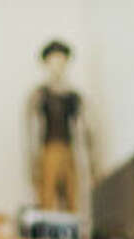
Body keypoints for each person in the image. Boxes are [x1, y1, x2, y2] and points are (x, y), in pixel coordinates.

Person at [26, 39, 97, 214]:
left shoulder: (74, 96)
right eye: (53, 61)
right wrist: (32, 161)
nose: (57, 66)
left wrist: (92, 163)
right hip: (48, 150)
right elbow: (31, 131)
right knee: (47, 199)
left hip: (69, 150)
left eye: (61, 61)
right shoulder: (39, 95)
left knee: (72, 199)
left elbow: (85, 130)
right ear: (46, 64)